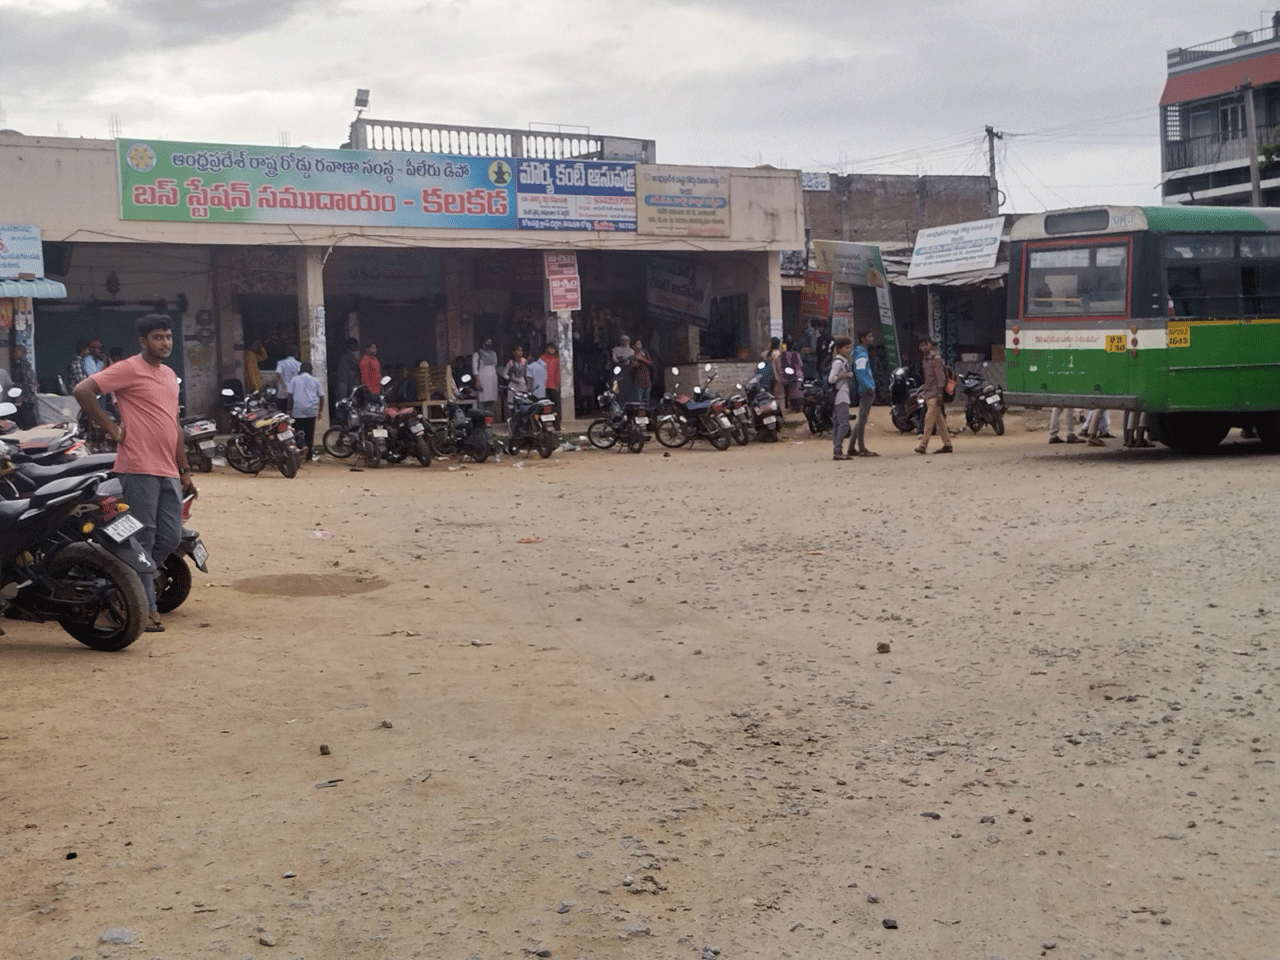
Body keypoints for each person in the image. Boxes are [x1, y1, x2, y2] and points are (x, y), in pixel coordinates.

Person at [72, 314, 198, 634]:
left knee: (168, 537)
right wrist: (113, 429)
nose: (165, 342)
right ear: (143, 342)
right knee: (142, 537)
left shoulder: (169, 374)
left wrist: (184, 470)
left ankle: (123, 589)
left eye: (168, 337)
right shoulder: (129, 368)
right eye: (158, 337)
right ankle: (147, 608)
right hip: (137, 466)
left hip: (168, 468)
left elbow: (174, 425)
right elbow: (83, 390)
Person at [914, 337, 953, 455]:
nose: (924, 347)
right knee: (939, 421)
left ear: (930, 345)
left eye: (926, 344)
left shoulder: (936, 359)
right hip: (929, 393)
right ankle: (947, 445)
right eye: (921, 345)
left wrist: (940, 394)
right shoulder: (925, 360)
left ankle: (923, 445)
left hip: (935, 394)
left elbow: (941, 378)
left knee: (928, 419)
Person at [848, 329, 879, 457]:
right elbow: (860, 372)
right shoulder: (861, 353)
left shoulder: (859, 352)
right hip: (865, 389)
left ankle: (851, 447)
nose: (872, 338)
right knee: (862, 419)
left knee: (861, 419)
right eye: (869, 336)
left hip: (863, 388)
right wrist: (869, 386)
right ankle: (861, 448)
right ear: (863, 339)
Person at [289, 361, 324, 461]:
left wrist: (289, 410)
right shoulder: (315, 380)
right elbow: (321, 396)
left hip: (298, 409)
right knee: (310, 432)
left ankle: (301, 448)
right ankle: (309, 456)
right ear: (311, 370)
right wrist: (320, 411)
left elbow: (290, 396)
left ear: (300, 369)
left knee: (297, 431)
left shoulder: (294, 379)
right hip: (311, 410)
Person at [828, 337, 854, 461]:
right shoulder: (838, 363)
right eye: (845, 347)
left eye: (848, 347)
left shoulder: (841, 361)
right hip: (841, 396)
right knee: (843, 424)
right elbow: (831, 378)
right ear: (839, 349)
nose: (848, 350)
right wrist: (845, 375)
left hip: (840, 395)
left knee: (837, 424)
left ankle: (837, 449)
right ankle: (838, 450)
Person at [9, 343, 38, 430]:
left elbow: (27, 383)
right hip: (27, 397)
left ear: (21, 352)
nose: (13, 354)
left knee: (28, 422)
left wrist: (19, 395)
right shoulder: (21, 364)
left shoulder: (23, 365)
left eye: (15, 352)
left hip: (26, 398)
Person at [472, 337, 499, 414]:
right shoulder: (477, 354)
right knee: (482, 403)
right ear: (482, 343)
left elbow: (495, 366)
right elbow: (475, 369)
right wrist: (477, 381)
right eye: (487, 342)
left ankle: (488, 422)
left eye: (490, 342)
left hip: (493, 380)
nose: (489, 344)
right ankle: (482, 423)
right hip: (482, 380)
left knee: (490, 404)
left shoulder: (494, 354)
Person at [275, 345, 301, 413]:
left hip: (282, 393)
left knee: (282, 413)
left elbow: (278, 373)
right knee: (294, 413)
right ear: (296, 353)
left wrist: (284, 386)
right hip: (294, 393)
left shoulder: (281, 363)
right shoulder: (299, 364)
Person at [629, 338, 654, 407]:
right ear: (633, 346)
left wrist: (642, 359)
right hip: (637, 381)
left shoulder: (645, 353)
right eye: (637, 344)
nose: (639, 346)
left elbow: (651, 363)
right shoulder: (631, 354)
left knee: (646, 400)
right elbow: (631, 366)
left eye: (640, 344)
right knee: (639, 402)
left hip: (646, 380)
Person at [780, 340, 804, 412]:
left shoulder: (783, 354)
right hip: (797, 376)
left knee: (788, 393)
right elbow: (800, 364)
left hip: (787, 377)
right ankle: (797, 408)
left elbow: (781, 365)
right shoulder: (796, 354)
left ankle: (789, 406)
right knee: (798, 393)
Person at [611, 335, 634, 403]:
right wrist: (625, 359)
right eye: (623, 340)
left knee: (627, 387)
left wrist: (622, 359)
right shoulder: (615, 349)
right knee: (617, 387)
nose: (624, 342)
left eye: (626, 340)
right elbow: (615, 360)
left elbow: (630, 361)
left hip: (628, 371)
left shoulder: (631, 351)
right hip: (618, 370)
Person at [540, 343, 561, 417]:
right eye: (550, 348)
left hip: (552, 385)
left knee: (554, 403)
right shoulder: (542, 358)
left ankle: (556, 421)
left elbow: (556, 373)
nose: (552, 350)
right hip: (543, 385)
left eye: (553, 348)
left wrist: (557, 384)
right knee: (545, 404)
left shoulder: (555, 359)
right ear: (546, 349)